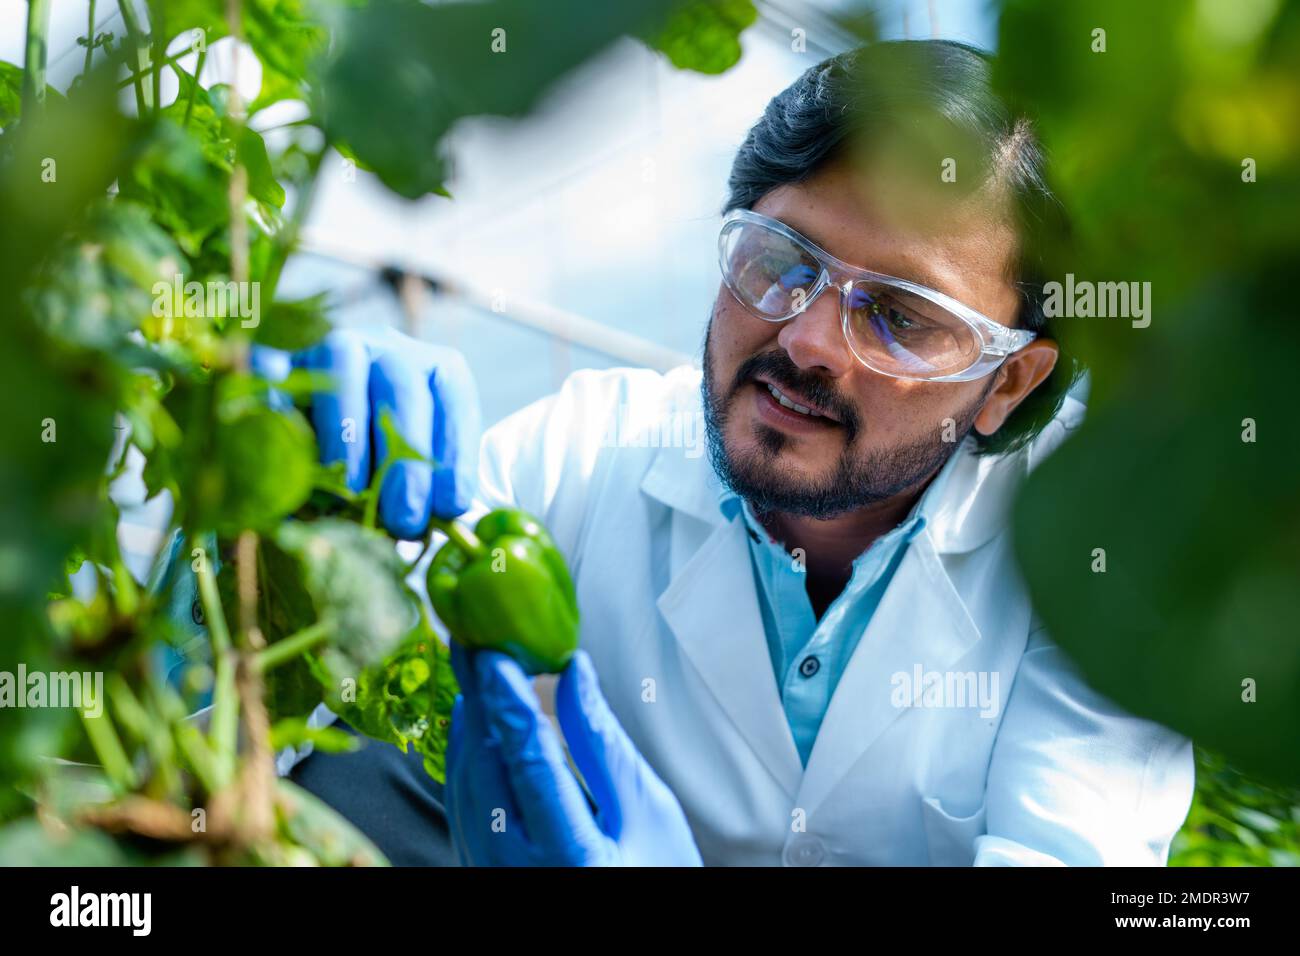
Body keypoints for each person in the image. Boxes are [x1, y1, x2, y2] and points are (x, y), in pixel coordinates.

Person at [263, 40, 1195, 865]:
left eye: (902, 318)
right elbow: (315, 670)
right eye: (781, 259)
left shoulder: (1101, 561)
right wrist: (279, 496)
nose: (808, 342)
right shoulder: (584, 452)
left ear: (1008, 383)